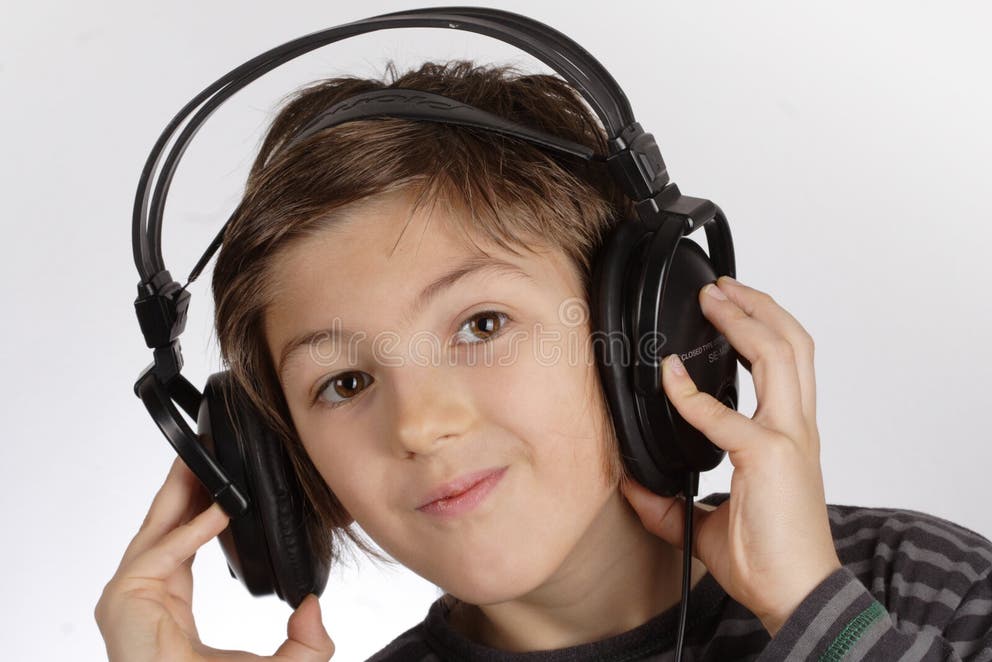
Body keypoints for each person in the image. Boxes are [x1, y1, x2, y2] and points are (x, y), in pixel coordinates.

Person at [95, 60, 992, 661]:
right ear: (282, 464)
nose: (420, 424)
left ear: (645, 330)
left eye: (482, 324)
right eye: (346, 382)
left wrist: (817, 618)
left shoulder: (919, 590)